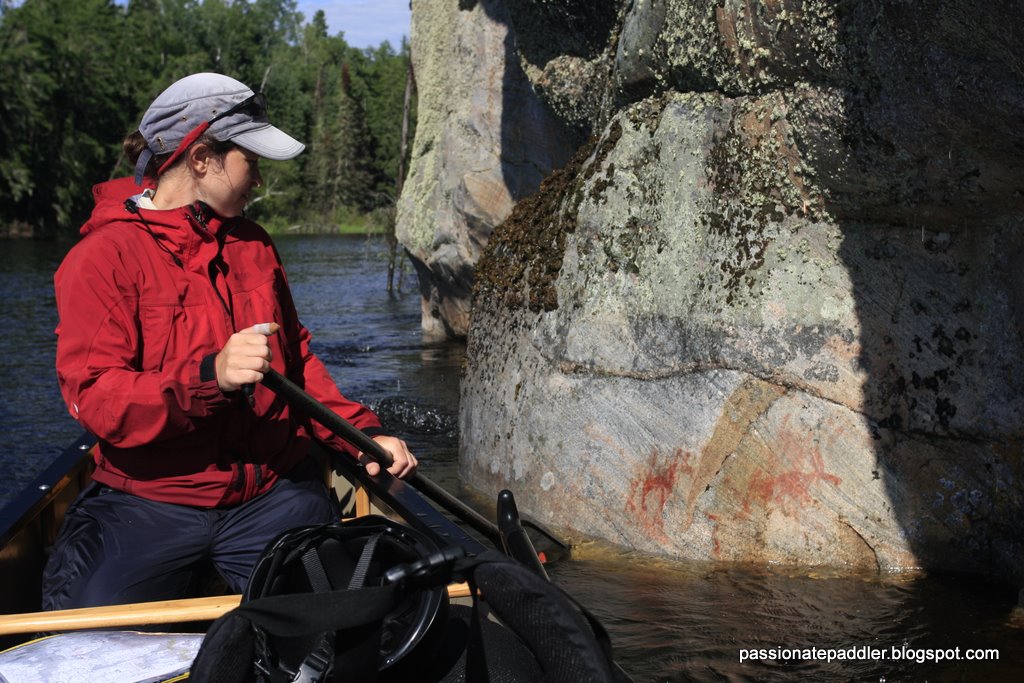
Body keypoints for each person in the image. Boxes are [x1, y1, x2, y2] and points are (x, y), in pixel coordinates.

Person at [43, 72, 417, 611]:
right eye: (252, 161)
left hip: (273, 495)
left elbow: (297, 360)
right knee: (86, 644)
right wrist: (208, 377)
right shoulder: (102, 258)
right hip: (150, 500)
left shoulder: (254, 245)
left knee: (354, 627)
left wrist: (360, 434)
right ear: (201, 159)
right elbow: (97, 399)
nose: (259, 181)